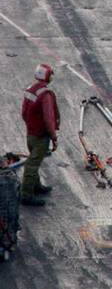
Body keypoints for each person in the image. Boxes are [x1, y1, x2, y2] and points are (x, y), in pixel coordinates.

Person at [20, 64, 60, 207]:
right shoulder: (46, 94)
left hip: (30, 133)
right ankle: (26, 195)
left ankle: (36, 186)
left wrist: (30, 126)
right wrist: (53, 136)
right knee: (32, 164)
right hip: (40, 136)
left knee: (34, 160)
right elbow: (49, 118)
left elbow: (24, 112)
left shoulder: (31, 88)